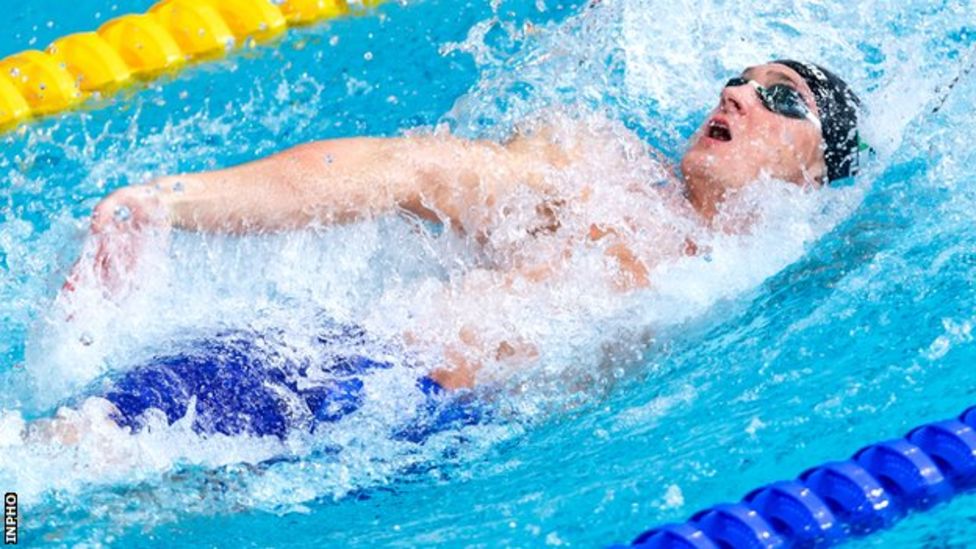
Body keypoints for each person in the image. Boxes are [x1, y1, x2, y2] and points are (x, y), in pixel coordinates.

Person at [20, 60, 862, 445]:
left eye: (777, 98)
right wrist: (170, 204)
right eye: (737, 82)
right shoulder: (600, 181)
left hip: (416, 445)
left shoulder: (779, 284)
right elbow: (402, 169)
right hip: (334, 374)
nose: (736, 95)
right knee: (38, 471)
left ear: (815, 170)